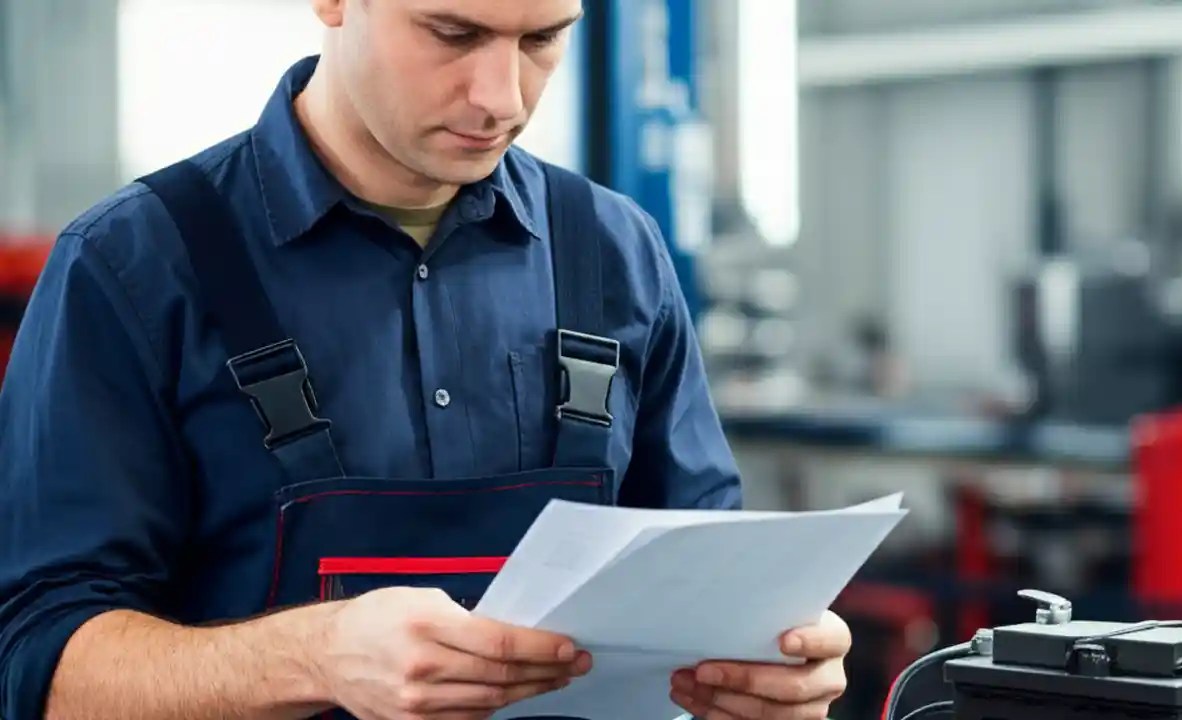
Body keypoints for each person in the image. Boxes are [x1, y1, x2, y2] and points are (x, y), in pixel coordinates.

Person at [0, 0, 853, 718]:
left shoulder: (615, 251)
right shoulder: (132, 266)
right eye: (453, 34)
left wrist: (774, 667)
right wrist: (314, 657)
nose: (501, 98)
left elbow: (714, 585)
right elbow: (35, 661)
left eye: (541, 40)